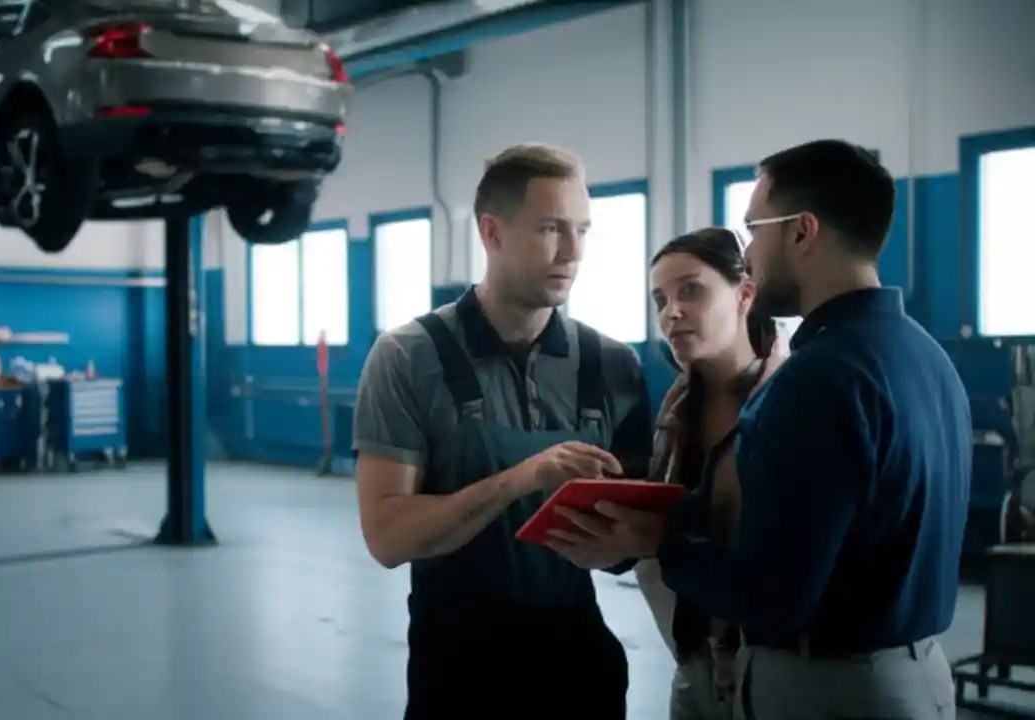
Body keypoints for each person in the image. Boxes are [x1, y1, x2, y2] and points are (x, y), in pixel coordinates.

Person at [587, 139, 972, 719]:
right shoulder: (925, 357)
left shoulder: (816, 381)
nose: (749, 252)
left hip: (829, 690)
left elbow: (772, 598)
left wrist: (657, 543)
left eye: (754, 229)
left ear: (802, 232)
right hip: (916, 675)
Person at [351, 143, 654, 719]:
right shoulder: (408, 358)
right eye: (550, 228)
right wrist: (519, 480)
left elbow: (630, 548)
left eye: (582, 230)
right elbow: (388, 538)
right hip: (460, 678)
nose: (573, 251)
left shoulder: (612, 365)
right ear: (491, 232)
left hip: (580, 673)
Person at [629, 228, 788, 720]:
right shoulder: (674, 412)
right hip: (694, 663)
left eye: (691, 290)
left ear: (745, 294)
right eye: (661, 299)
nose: (670, 312)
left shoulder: (792, 397)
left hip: (777, 668)